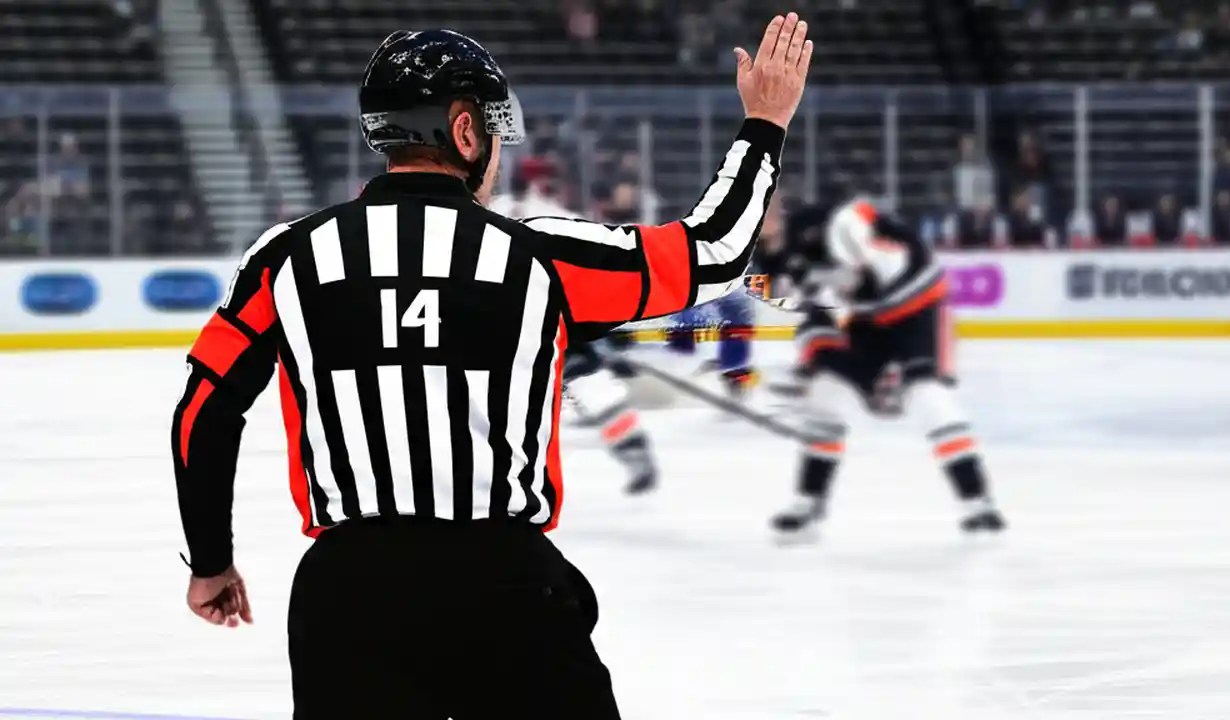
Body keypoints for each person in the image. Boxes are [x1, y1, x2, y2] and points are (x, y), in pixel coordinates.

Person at [170, 18, 810, 718]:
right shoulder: (537, 255)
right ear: (465, 132)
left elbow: (205, 410)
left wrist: (210, 560)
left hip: (347, 597)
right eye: (494, 129)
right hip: (504, 587)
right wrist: (764, 123)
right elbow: (713, 253)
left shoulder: (285, 256)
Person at [750, 198, 1006, 539]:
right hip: (867, 317)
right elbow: (812, 314)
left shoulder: (830, 220)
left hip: (919, 306)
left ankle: (978, 501)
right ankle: (809, 501)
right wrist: (813, 367)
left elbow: (882, 251)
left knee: (927, 397)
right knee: (826, 395)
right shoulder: (763, 264)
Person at [489, 160, 661, 495]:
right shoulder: (506, 212)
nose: (551, 185)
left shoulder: (551, 216)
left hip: (541, 326)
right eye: (544, 180)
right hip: (510, 327)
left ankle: (634, 453)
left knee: (592, 388)